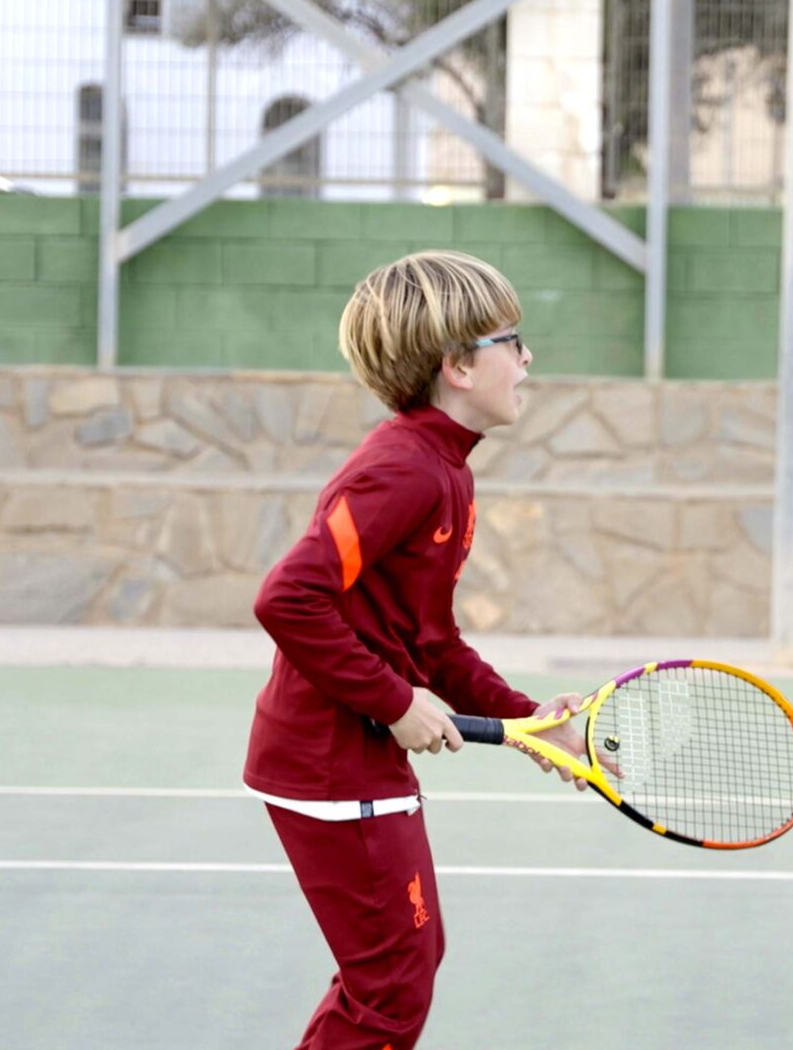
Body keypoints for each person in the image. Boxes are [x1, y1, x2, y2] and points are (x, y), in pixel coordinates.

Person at [246, 250, 593, 1050]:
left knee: (402, 970)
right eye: (512, 341)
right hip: (330, 765)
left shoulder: (445, 472)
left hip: (356, 763)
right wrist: (395, 701)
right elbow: (287, 598)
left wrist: (531, 721)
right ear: (459, 367)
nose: (528, 358)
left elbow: (430, 639)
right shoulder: (403, 470)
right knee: (391, 988)